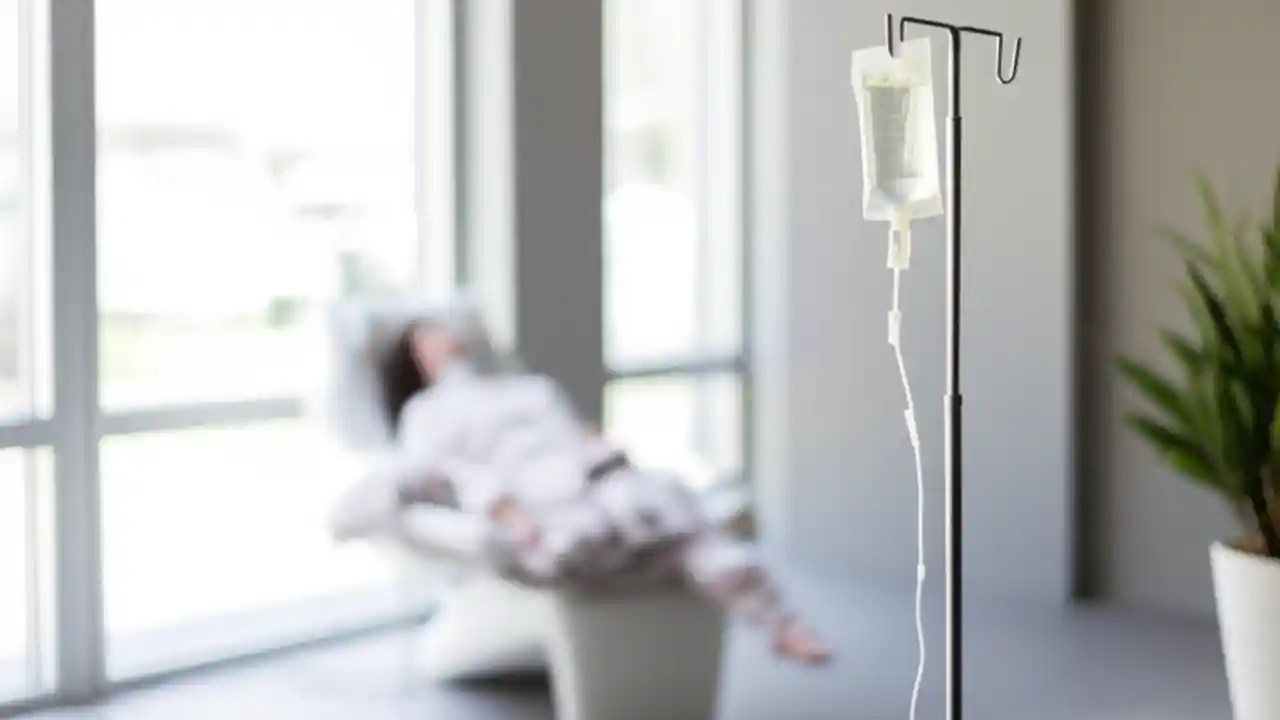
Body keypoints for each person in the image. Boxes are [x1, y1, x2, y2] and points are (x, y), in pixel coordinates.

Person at [332, 319, 831, 665]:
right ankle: (626, 553)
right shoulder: (428, 414)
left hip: (600, 477)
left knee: (676, 514)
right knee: (587, 541)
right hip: (542, 503)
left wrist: (607, 456)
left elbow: (575, 431)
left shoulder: (524, 387)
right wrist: (507, 513)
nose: (445, 336)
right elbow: (447, 474)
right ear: (411, 360)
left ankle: (776, 622)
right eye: (427, 336)